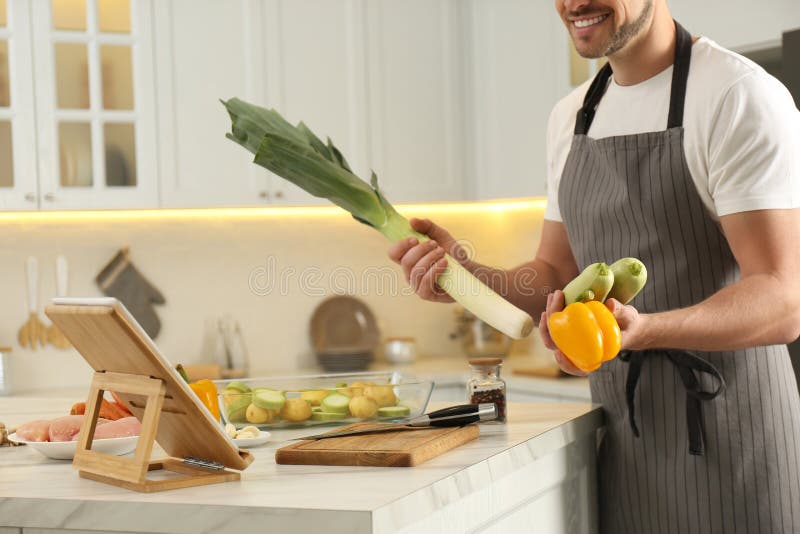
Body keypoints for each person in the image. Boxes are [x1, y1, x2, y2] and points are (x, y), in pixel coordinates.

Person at [388, 0, 800, 531]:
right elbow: (555, 274)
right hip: (625, 448)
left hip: (737, 449)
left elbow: (784, 296)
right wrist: (465, 278)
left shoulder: (734, 95)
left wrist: (644, 331)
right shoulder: (571, 116)